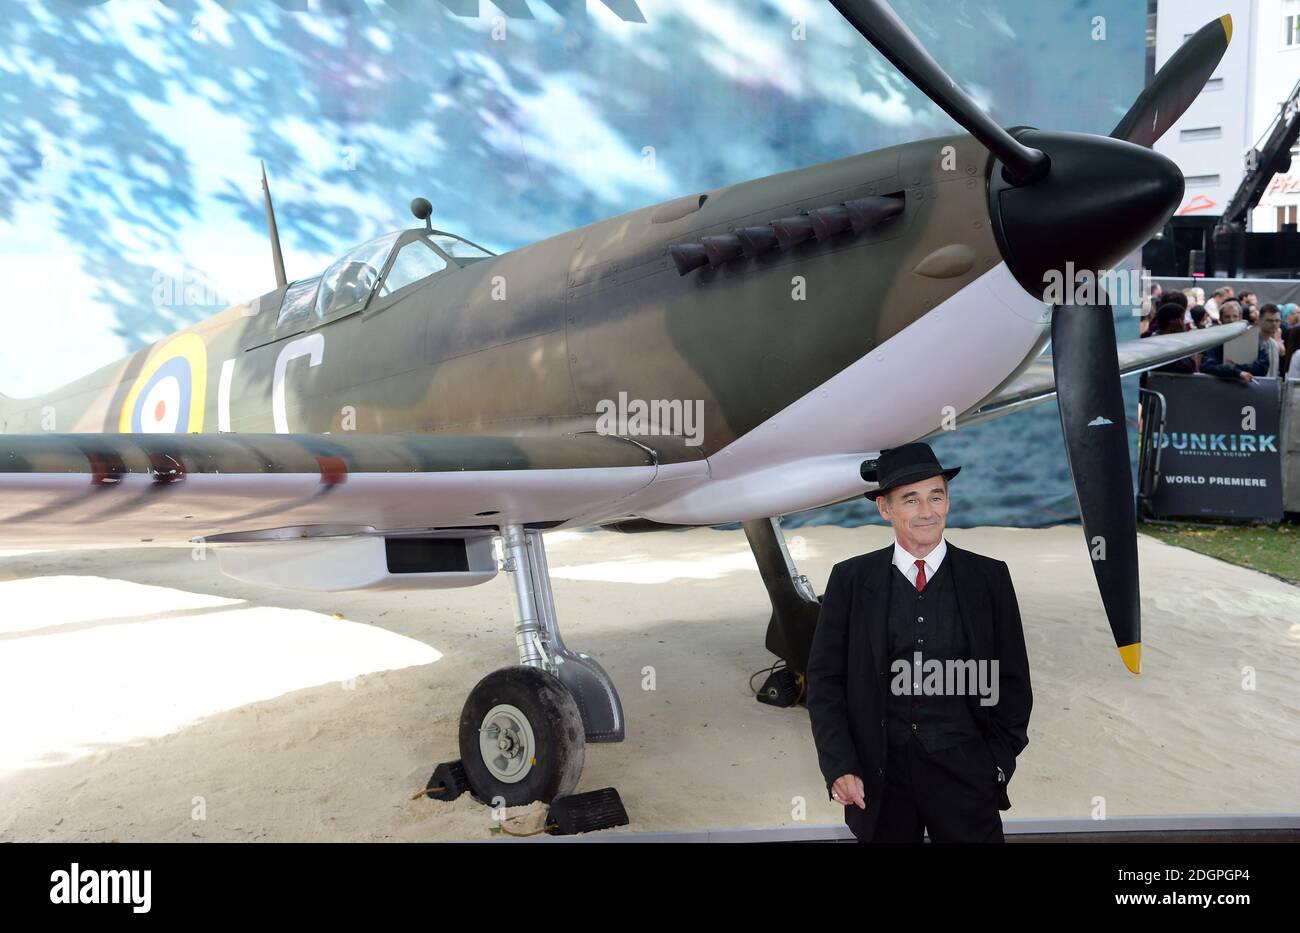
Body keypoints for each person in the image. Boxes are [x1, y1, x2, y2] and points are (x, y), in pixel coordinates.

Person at [806, 443, 1032, 843]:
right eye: (910, 499)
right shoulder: (851, 581)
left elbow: (1012, 680)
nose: (927, 511)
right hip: (881, 774)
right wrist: (840, 764)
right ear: (884, 508)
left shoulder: (989, 578)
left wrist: (997, 761)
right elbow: (825, 682)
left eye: (936, 496)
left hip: (966, 772)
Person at [1200, 301, 1275, 382]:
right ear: (1220, 319)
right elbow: (1207, 366)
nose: (1231, 320)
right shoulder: (1214, 341)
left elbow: (1263, 367)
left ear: (1240, 318)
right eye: (1227, 316)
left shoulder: (1251, 338)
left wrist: (1235, 368)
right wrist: (1236, 372)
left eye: (1235, 316)